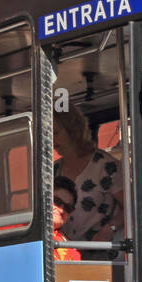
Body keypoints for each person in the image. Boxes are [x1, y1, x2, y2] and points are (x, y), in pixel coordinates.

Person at [53, 105, 124, 242]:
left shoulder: (106, 166)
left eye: (56, 133)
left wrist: (110, 228)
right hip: (64, 253)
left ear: (73, 131)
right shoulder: (53, 169)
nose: (52, 140)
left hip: (102, 252)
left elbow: (131, 208)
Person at [51, 176, 82, 261]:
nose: (61, 210)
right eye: (57, 201)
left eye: (67, 208)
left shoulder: (72, 252)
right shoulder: (18, 230)